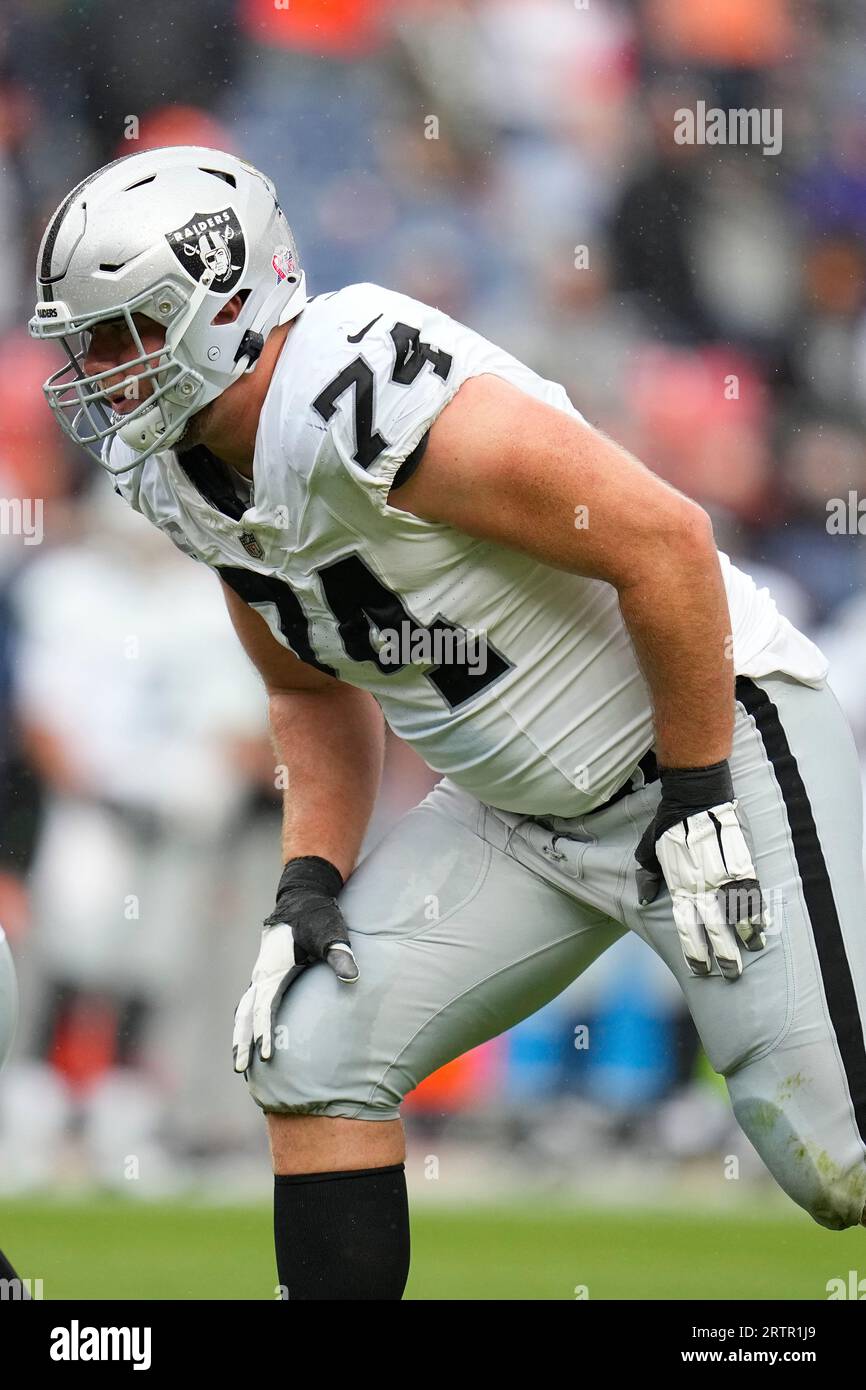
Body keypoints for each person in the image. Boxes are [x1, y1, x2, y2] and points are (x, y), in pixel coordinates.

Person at [28, 146, 866, 1300]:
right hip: (518, 813)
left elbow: (662, 541)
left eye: (126, 333)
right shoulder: (173, 469)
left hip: (712, 746)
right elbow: (306, 686)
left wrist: (696, 790)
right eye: (90, 340)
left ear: (225, 304)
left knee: (838, 1163)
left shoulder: (357, 389)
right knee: (310, 1052)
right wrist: (308, 879)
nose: (103, 374)